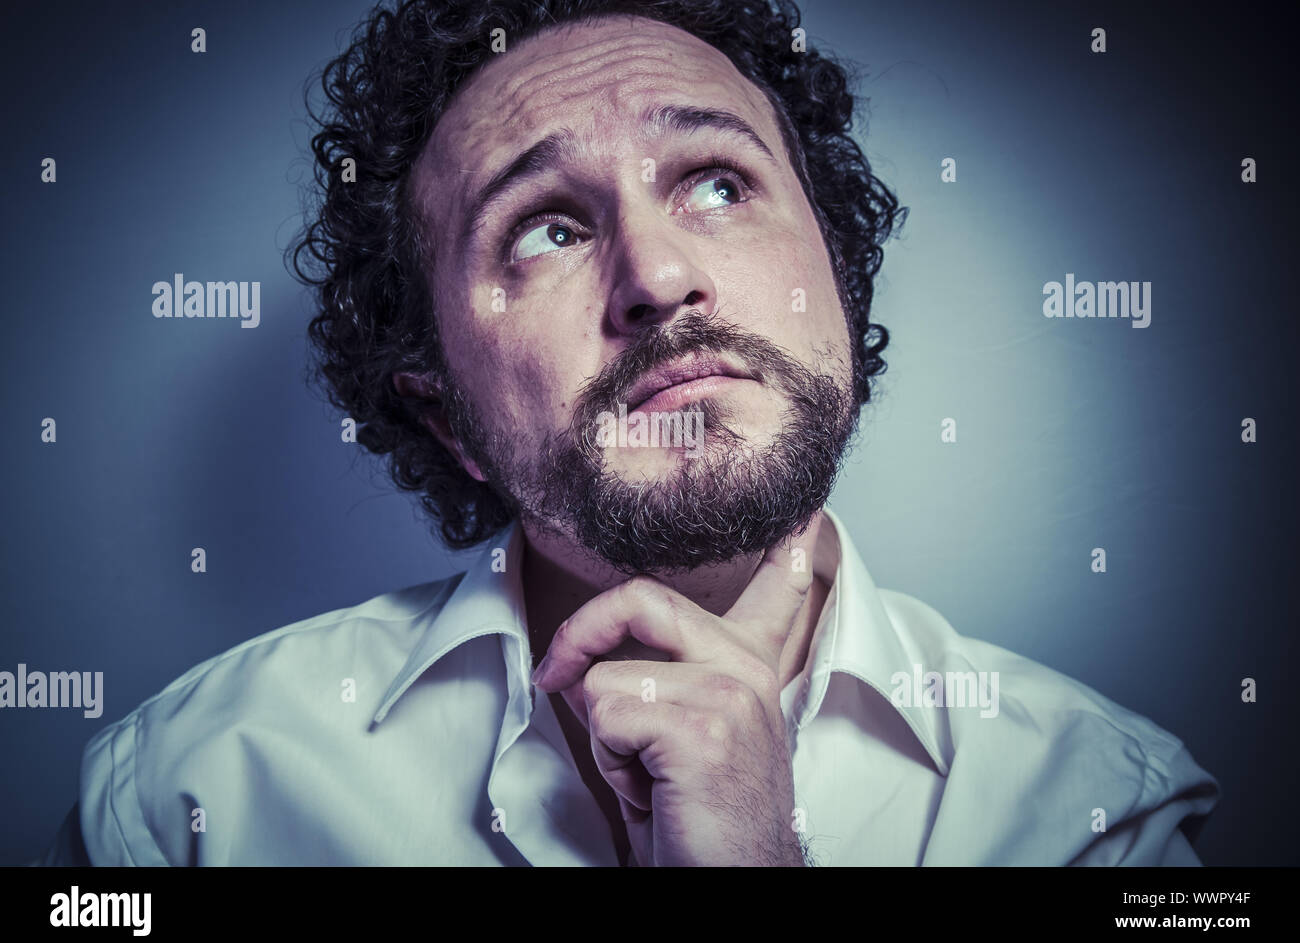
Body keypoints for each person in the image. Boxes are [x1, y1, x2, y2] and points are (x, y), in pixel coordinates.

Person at [40, 0, 1218, 866]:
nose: (657, 276)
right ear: (447, 413)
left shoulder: (1100, 817)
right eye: (545, 228)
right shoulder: (181, 801)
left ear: (838, 288)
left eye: (715, 182)